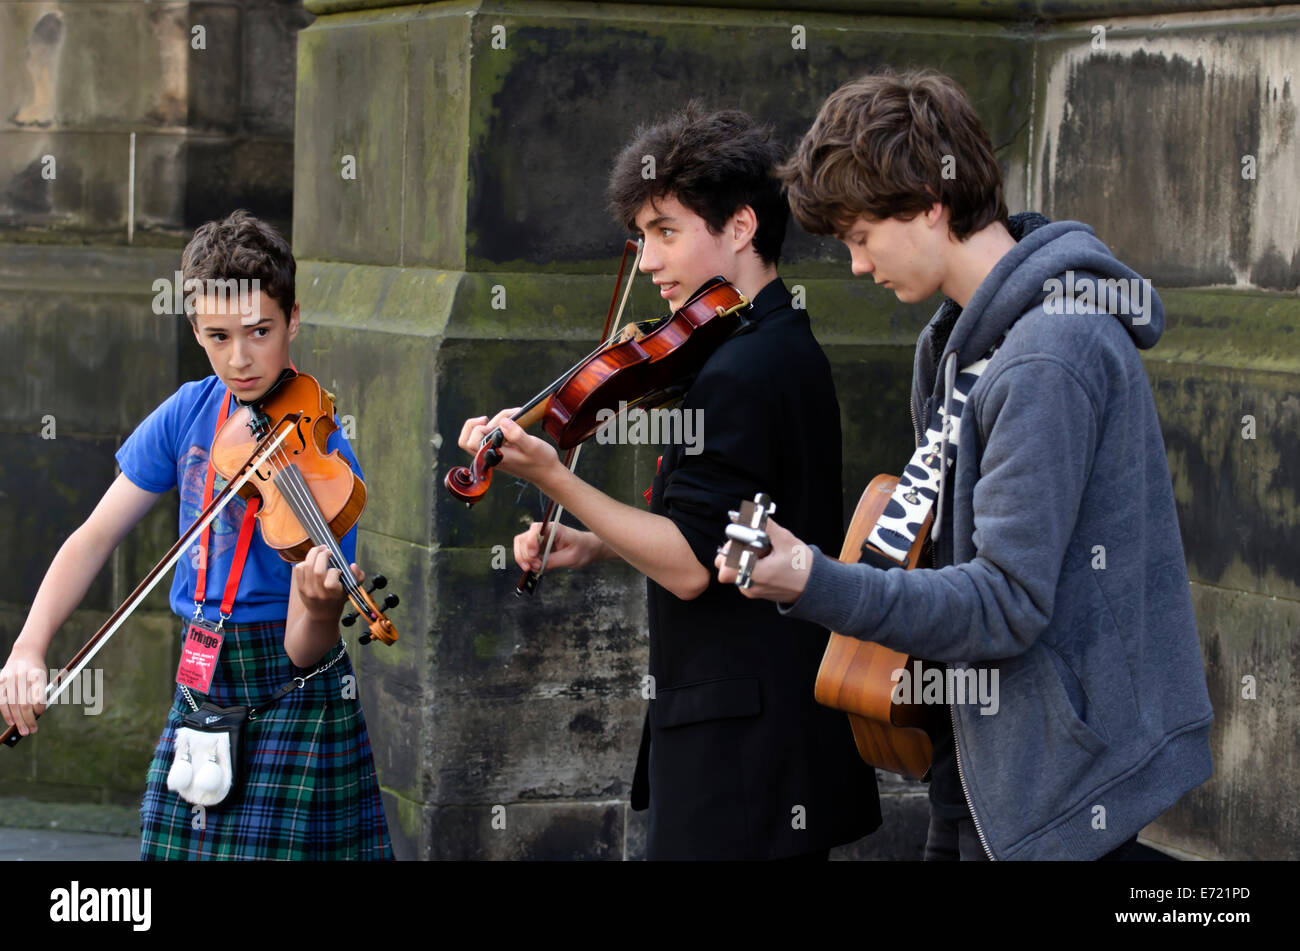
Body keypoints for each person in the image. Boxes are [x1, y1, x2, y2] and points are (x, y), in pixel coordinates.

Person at [717, 69, 1214, 860]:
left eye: (859, 235)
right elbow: (944, 552)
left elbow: (1005, 602)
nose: (854, 264)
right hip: (974, 756)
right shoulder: (951, 344)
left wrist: (813, 579)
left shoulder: (1051, 355)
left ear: (927, 201)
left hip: (1057, 771)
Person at [456, 107, 880, 860]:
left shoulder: (742, 371)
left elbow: (688, 567)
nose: (647, 260)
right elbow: (728, 537)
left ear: (742, 227)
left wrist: (555, 475)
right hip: (771, 743)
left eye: (665, 230)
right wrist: (595, 545)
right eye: (642, 236)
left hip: (739, 758)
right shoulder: (780, 343)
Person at [0, 210, 393, 860]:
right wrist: (29, 646)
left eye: (260, 332)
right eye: (218, 335)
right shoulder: (188, 411)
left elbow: (304, 648)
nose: (239, 358)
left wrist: (321, 603)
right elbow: (94, 536)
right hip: (201, 679)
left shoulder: (326, 460)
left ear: (293, 318)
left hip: (286, 688)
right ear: (194, 328)